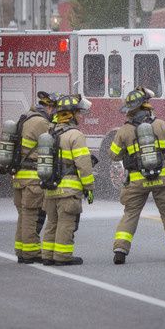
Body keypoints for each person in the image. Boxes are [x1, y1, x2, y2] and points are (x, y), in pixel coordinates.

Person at [109, 87, 165, 264]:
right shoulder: (161, 124)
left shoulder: (124, 130)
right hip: (163, 178)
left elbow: (113, 155)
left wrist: (129, 151)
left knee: (130, 214)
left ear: (130, 110)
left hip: (137, 181)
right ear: (146, 106)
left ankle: (120, 251)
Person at [39, 94, 95, 266]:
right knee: (66, 222)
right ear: (70, 113)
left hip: (50, 188)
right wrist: (89, 187)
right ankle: (63, 256)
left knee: (52, 222)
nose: (81, 116)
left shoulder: (50, 132)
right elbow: (83, 165)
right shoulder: (75, 135)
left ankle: (48, 255)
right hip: (68, 190)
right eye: (79, 112)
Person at [7, 91, 56, 263]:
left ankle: (21, 249)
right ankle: (31, 252)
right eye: (54, 110)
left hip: (19, 175)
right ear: (49, 107)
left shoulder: (27, 117)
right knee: (30, 215)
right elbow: (53, 143)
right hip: (32, 177)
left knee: (23, 214)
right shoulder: (42, 122)